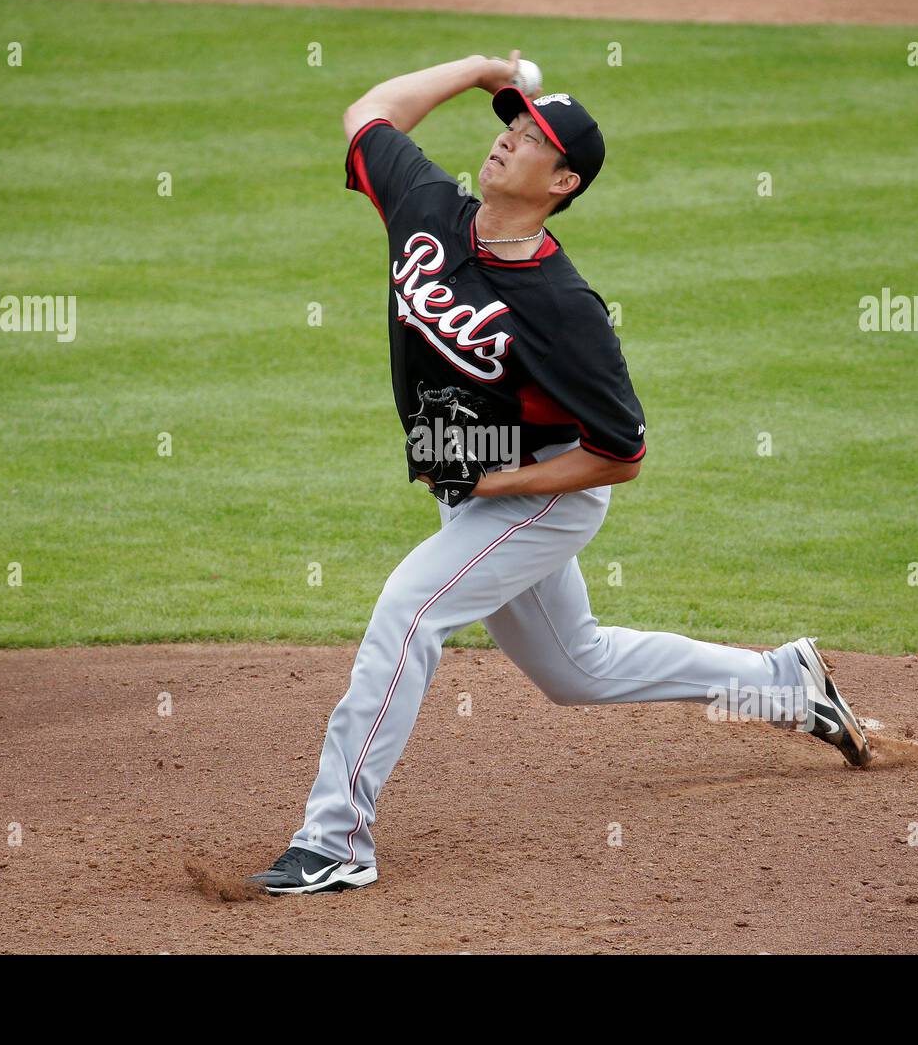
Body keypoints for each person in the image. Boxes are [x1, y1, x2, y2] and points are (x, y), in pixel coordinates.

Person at [250, 51, 872, 896]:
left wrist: (494, 489)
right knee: (576, 671)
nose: (507, 141)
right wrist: (475, 69)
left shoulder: (564, 310)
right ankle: (782, 685)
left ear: (565, 181)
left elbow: (620, 454)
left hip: (544, 494)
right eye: (509, 125)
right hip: (481, 488)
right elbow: (370, 111)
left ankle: (336, 839)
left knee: (407, 614)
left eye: (530, 136)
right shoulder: (429, 208)